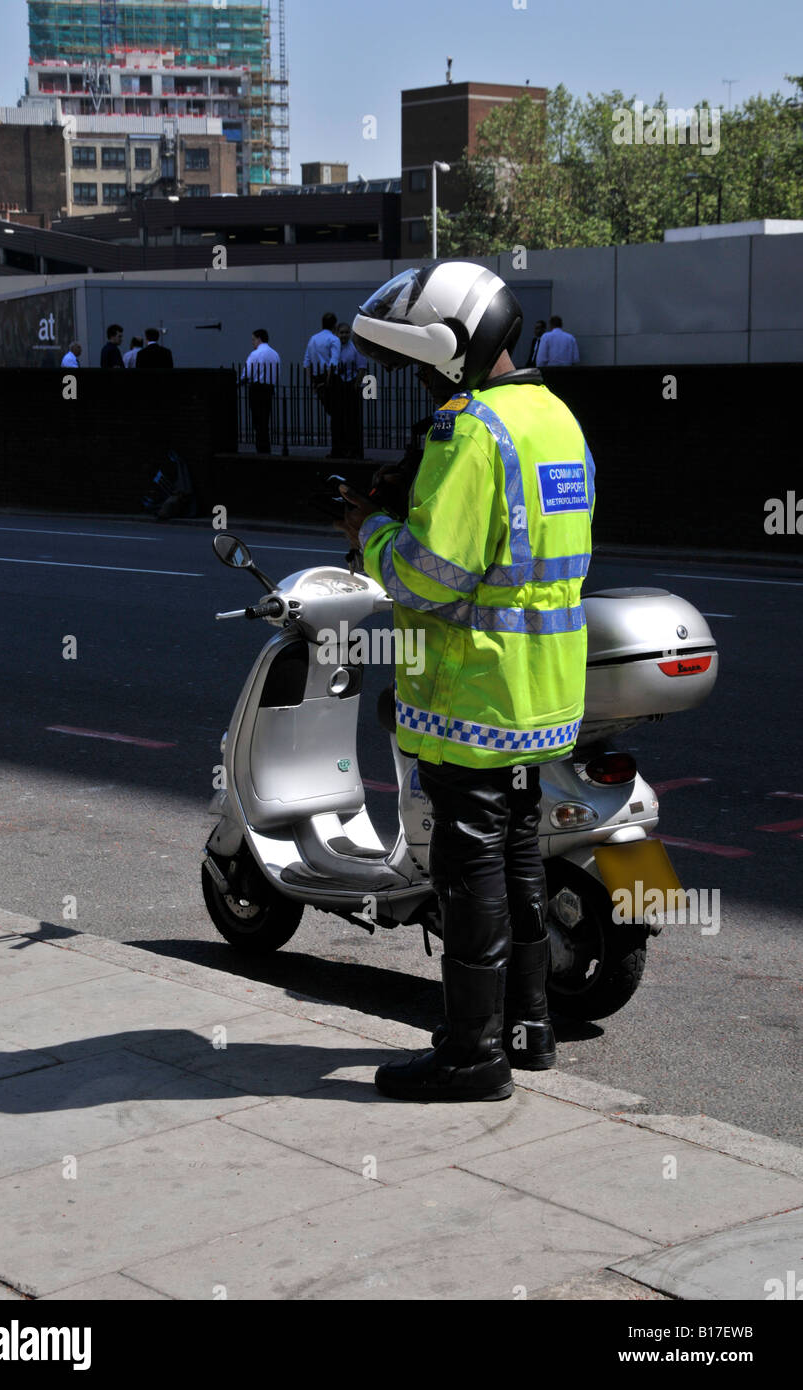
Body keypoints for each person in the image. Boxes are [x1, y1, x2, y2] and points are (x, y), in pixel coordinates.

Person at [341, 262, 595, 1103]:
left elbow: (429, 577)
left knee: (468, 869)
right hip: (540, 693)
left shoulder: (469, 430)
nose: (418, 382)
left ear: (453, 351)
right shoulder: (554, 419)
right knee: (519, 854)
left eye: (421, 365)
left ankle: (469, 1057)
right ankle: (528, 1032)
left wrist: (371, 531)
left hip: (470, 698)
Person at [303, 311, 341, 458]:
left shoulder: (313, 339)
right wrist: (328, 381)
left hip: (317, 378)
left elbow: (306, 363)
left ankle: (336, 448)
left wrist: (313, 382)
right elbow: (333, 363)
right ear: (334, 325)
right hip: (329, 379)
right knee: (337, 415)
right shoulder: (334, 339)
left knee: (331, 412)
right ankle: (337, 448)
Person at [242, 328, 281, 455]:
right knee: (265, 420)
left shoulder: (255, 354)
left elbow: (247, 374)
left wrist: (239, 382)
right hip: (269, 390)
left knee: (258, 422)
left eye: (253, 339)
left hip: (257, 390)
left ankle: (261, 448)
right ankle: (266, 447)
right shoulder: (275, 354)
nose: (252, 342)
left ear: (259, 339)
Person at [333, 321, 367, 459]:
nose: (344, 335)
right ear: (337, 334)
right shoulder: (335, 348)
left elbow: (362, 368)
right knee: (338, 420)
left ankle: (354, 450)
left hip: (351, 386)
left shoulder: (355, 348)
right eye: (341, 332)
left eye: (346, 332)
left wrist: (356, 385)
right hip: (338, 385)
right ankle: (339, 449)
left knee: (352, 421)